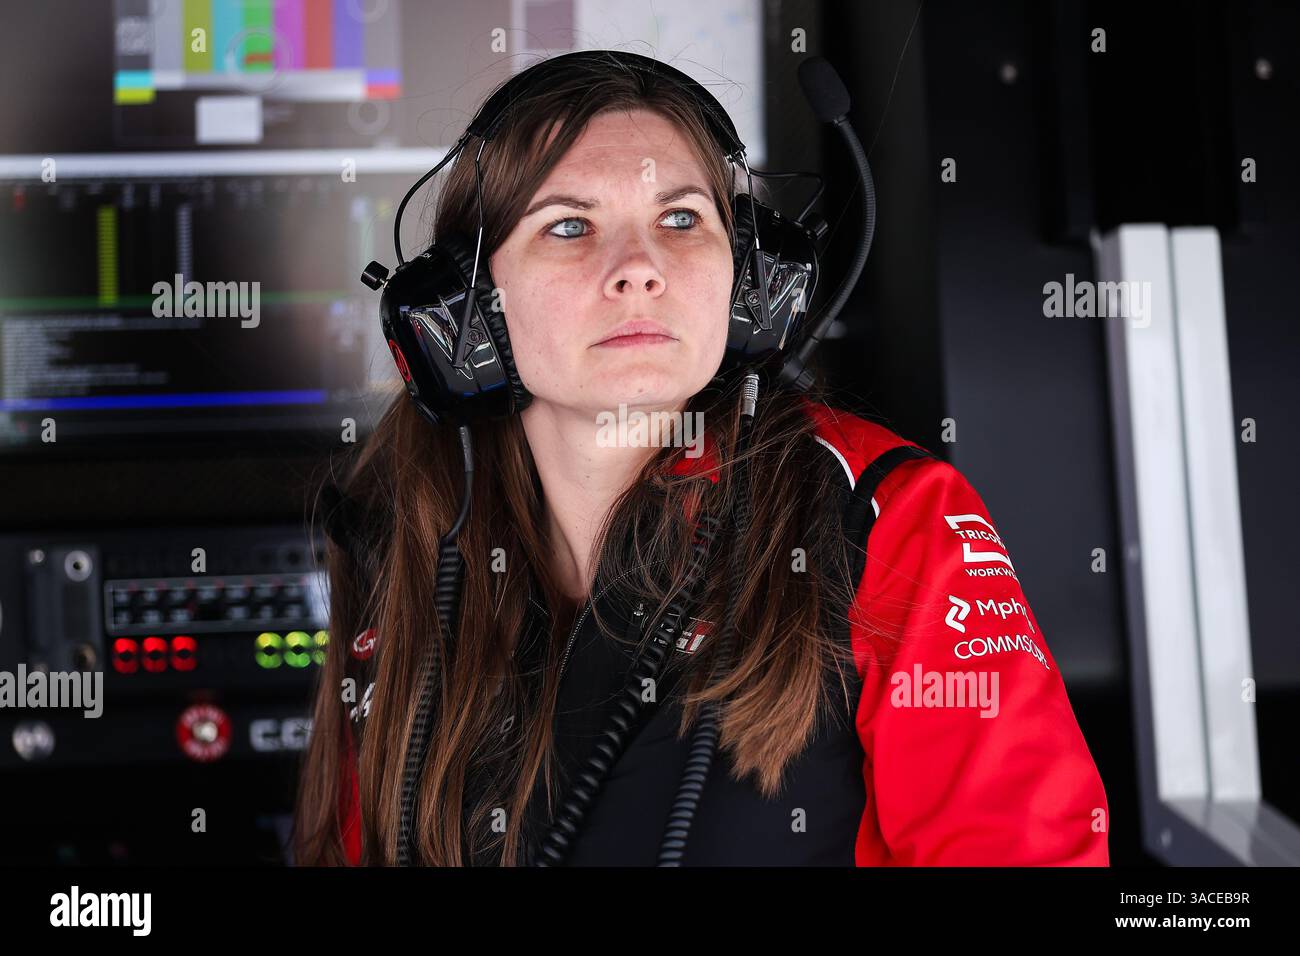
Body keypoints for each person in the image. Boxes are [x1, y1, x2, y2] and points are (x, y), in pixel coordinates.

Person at [291, 51, 1109, 867]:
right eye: (569, 226)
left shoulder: (888, 518)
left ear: (750, 285)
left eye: (680, 219)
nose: (640, 270)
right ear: (467, 312)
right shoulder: (407, 533)